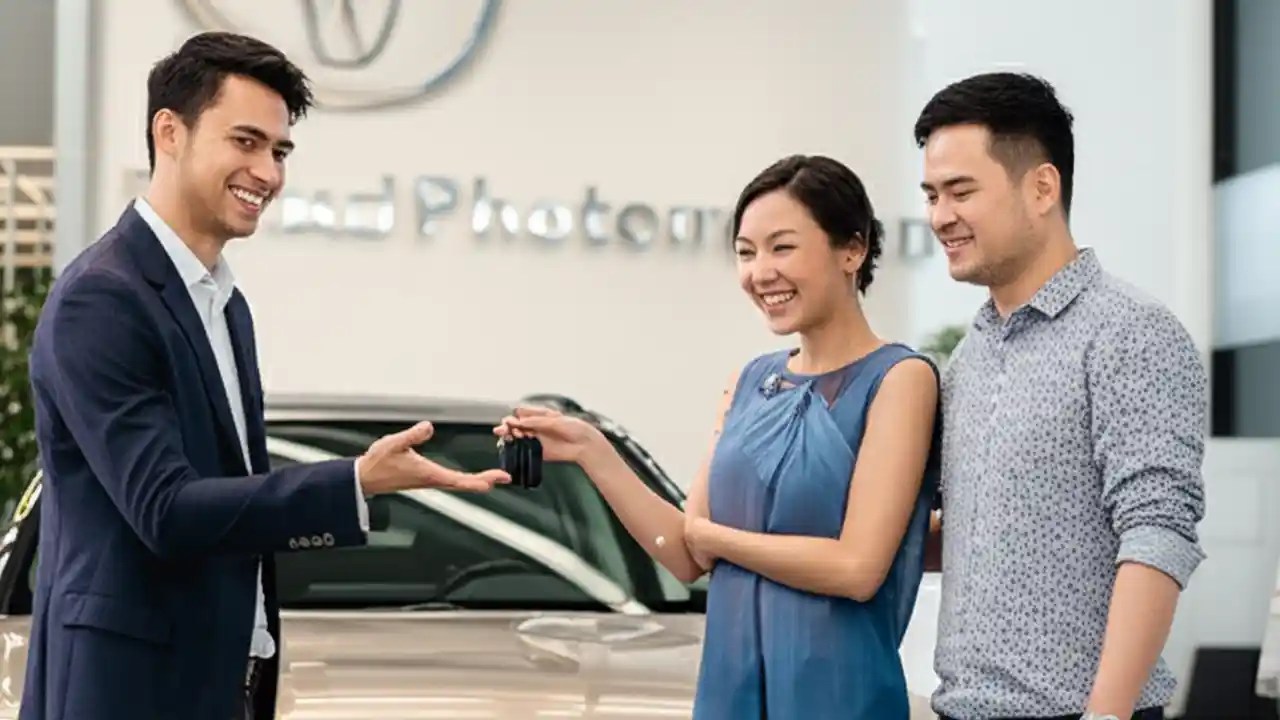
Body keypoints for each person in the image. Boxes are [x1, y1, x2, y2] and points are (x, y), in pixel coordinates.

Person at [22, 31, 509, 720]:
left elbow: (229, 496)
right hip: (130, 686)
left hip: (228, 679)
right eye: (245, 141)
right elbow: (164, 510)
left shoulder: (225, 303)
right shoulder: (103, 299)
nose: (269, 172)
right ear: (170, 132)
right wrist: (353, 482)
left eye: (279, 151)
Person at [496, 155, 942, 718]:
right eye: (746, 252)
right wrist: (591, 451)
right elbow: (685, 555)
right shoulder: (749, 381)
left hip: (839, 698)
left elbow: (856, 569)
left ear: (851, 251)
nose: (760, 273)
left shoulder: (900, 379)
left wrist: (720, 541)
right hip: (727, 696)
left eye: (782, 247)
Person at [915, 72, 1207, 720]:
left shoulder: (1131, 333)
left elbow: (1158, 531)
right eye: (932, 194)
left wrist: (1108, 712)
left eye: (961, 191)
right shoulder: (971, 354)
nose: (940, 217)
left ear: (1042, 187)